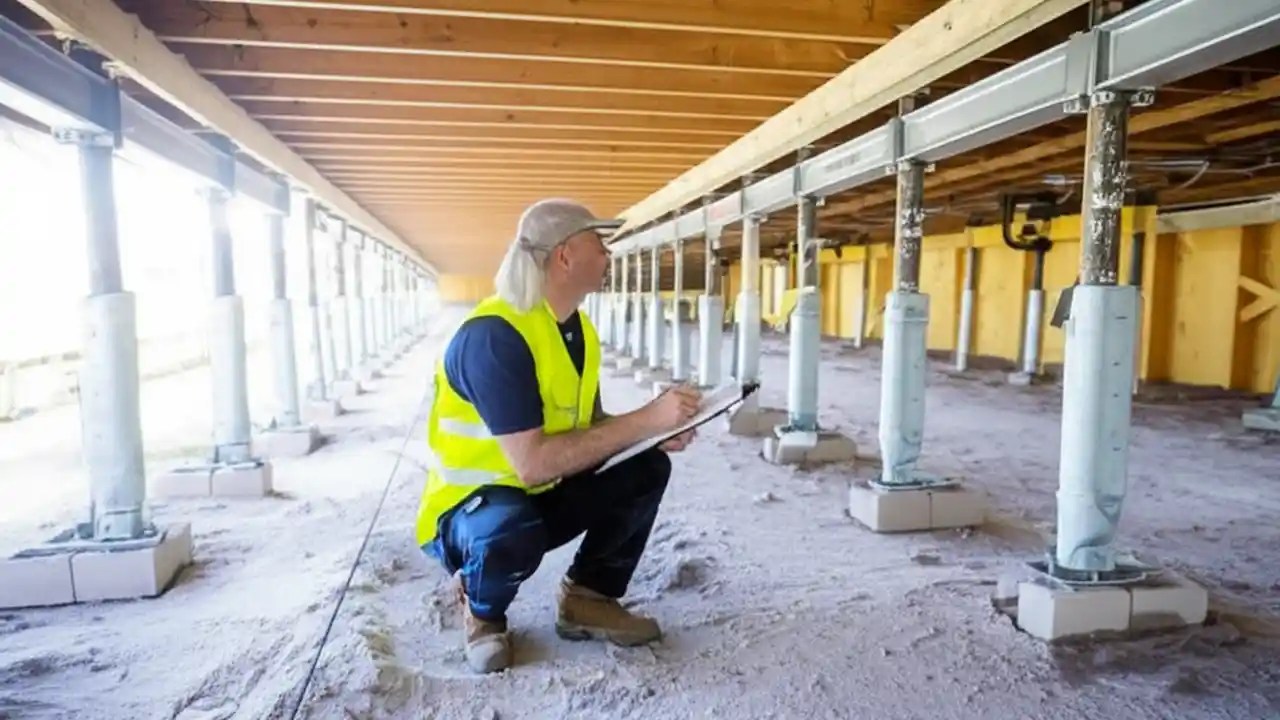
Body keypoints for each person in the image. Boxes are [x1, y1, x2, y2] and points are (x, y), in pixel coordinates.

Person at [415, 198, 703, 673]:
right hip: (472, 511)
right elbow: (532, 462)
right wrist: (647, 418)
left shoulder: (578, 330)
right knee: (510, 528)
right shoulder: (494, 336)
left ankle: (589, 597)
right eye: (599, 244)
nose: (608, 255)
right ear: (565, 255)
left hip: (537, 494)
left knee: (646, 467)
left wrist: (650, 435)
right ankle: (483, 611)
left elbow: (589, 429)